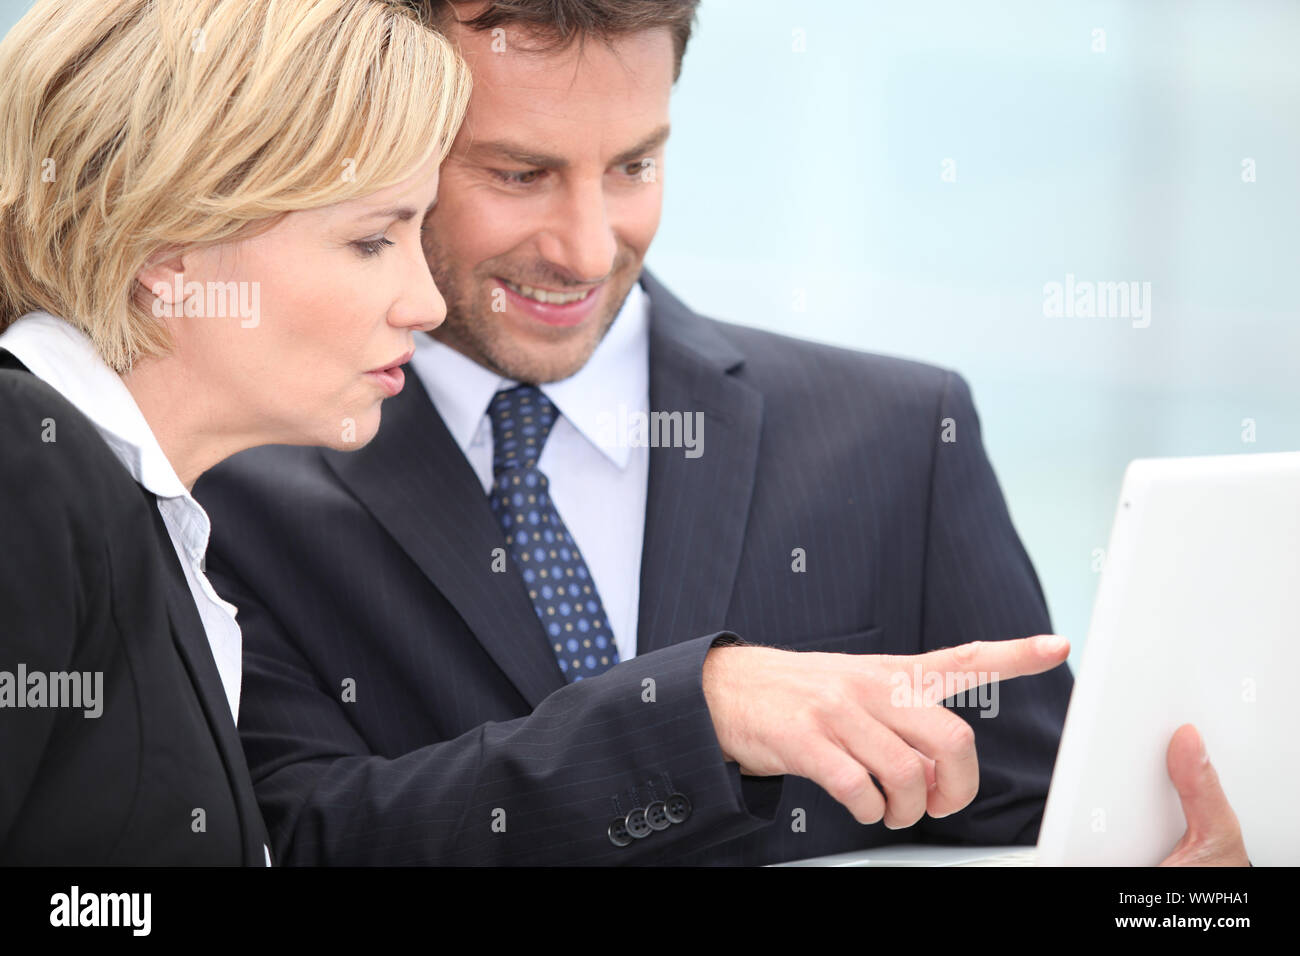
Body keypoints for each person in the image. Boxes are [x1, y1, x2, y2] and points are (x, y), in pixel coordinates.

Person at [195, 0, 1248, 866]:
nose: (587, 244)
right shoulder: (234, 472)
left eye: (633, 168)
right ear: (392, 151)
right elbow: (292, 838)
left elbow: (1049, 831)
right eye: (518, 174)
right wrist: (690, 711)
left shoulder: (894, 437)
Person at [0, 0, 470, 864]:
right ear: (166, 251)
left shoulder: (138, 520)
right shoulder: (22, 458)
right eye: (373, 240)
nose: (429, 304)